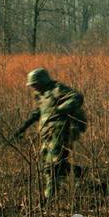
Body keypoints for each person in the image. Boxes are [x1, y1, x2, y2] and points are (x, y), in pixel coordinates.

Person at [13, 67, 87, 202]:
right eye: (32, 85)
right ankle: (76, 171)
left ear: (42, 81)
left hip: (60, 132)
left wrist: (59, 110)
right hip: (47, 133)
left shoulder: (56, 89)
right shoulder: (41, 94)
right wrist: (23, 127)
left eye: (35, 84)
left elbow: (77, 97)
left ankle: (49, 198)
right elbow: (39, 112)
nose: (33, 87)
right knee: (47, 162)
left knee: (52, 165)